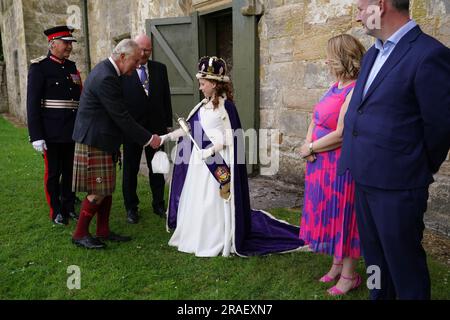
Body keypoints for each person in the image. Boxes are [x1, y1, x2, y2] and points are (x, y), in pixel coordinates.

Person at [339, 0, 450, 299]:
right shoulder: (373, 53)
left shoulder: (429, 54)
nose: (358, 14)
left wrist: (416, 166)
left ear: (381, 5)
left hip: (400, 186)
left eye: (362, 7)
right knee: (375, 263)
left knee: (405, 268)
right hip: (363, 180)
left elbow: (440, 127)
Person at [161, 56, 306, 257]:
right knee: (197, 198)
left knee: (213, 201)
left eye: (203, 84)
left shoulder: (226, 107)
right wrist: (164, 138)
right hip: (200, 162)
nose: (200, 87)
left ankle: (217, 237)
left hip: (217, 159)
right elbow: (188, 130)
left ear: (213, 84)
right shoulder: (202, 106)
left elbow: (231, 138)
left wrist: (211, 150)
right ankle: (196, 235)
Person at [71, 39, 161, 249]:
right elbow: (121, 116)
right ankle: (80, 234)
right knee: (98, 190)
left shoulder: (110, 72)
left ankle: (103, 231)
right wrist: (149, 139)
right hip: (95, 140)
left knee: (106, 188)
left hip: (103, 138)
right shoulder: (106, 78)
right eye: (136, 61)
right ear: (123, 57)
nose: (138, 65)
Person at [299, 34, 366, 296]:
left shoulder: (354, 90)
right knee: (330, 214)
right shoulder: (335, 85)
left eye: (330, 55)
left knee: (344, 218)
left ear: (344, 57)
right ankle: (337, 264)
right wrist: (307, 143)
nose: (326, 60)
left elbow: (341, 133)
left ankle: (350, 276)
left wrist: (312, 147)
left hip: (339, 166)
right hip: (319, 164)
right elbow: (315, 117)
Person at [27, 25, 81, 225]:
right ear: (52, 44)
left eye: (70, 43)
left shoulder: (71, 67)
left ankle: (68, 205)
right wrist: (36, 135)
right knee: (53, 173)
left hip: (71, 131)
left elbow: (78, 99)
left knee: (70, 172)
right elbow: (32, 104)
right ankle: (56, 210)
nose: (69, 47)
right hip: (50, 132)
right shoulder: (39, 68)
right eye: (65, 43)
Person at [121, 34, 173, 224]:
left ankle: (159, 204)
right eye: (140, 50)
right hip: (132, 129)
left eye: (147, 50)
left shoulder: (160, 69)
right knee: (130, 170)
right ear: (134, 48)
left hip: (156, 129)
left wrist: (167, 122)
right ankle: (131, 208)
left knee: (157, 168)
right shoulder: (125, 69)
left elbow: (165, 97)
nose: (143, 54)